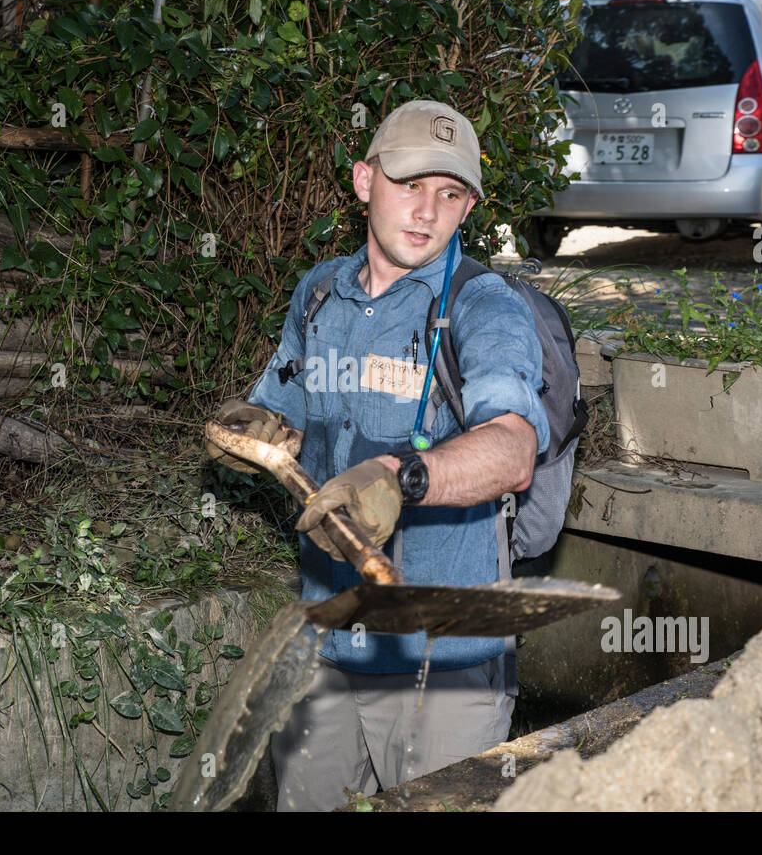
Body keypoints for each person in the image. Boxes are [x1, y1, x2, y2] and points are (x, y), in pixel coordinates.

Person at [206, 99, 549, 811]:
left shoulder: (484, 310)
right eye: (409, 185)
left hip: (444, 670)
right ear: (364, 181)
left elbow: (513, 448)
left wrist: (406, 476)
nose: (427, 211)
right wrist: (255, 428)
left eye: (450, 194)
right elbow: (284, 410)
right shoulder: (321, 294)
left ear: (469, 208)